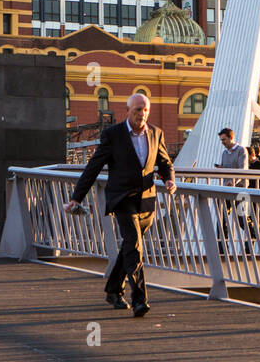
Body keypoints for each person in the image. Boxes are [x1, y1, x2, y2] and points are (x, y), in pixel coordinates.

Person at [64, 93, 177, 317]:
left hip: (146, 200)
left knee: (129, 247)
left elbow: (164, 162)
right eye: (137, 110)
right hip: (122, 198)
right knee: (134, 246)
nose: (141, 115)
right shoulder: (113, 135)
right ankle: (139, 300)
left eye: (145, 110)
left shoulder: (156, 133)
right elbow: (93, 167)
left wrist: (169, 178)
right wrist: (77, 197)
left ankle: (113, 290)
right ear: (128, 110)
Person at [216, 128, 260, 251]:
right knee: (221, 217)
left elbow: (243, 170)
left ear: (231, 138)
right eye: (221, 140)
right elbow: (227, 168)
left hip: (240, 189)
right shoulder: (224, 153)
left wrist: (234, 181)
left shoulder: (242, 151)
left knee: (242, 219)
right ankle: (222, 247)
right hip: (226, 189)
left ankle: (259, 236)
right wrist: (221, 168)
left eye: (224, 140)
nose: (222, 142)